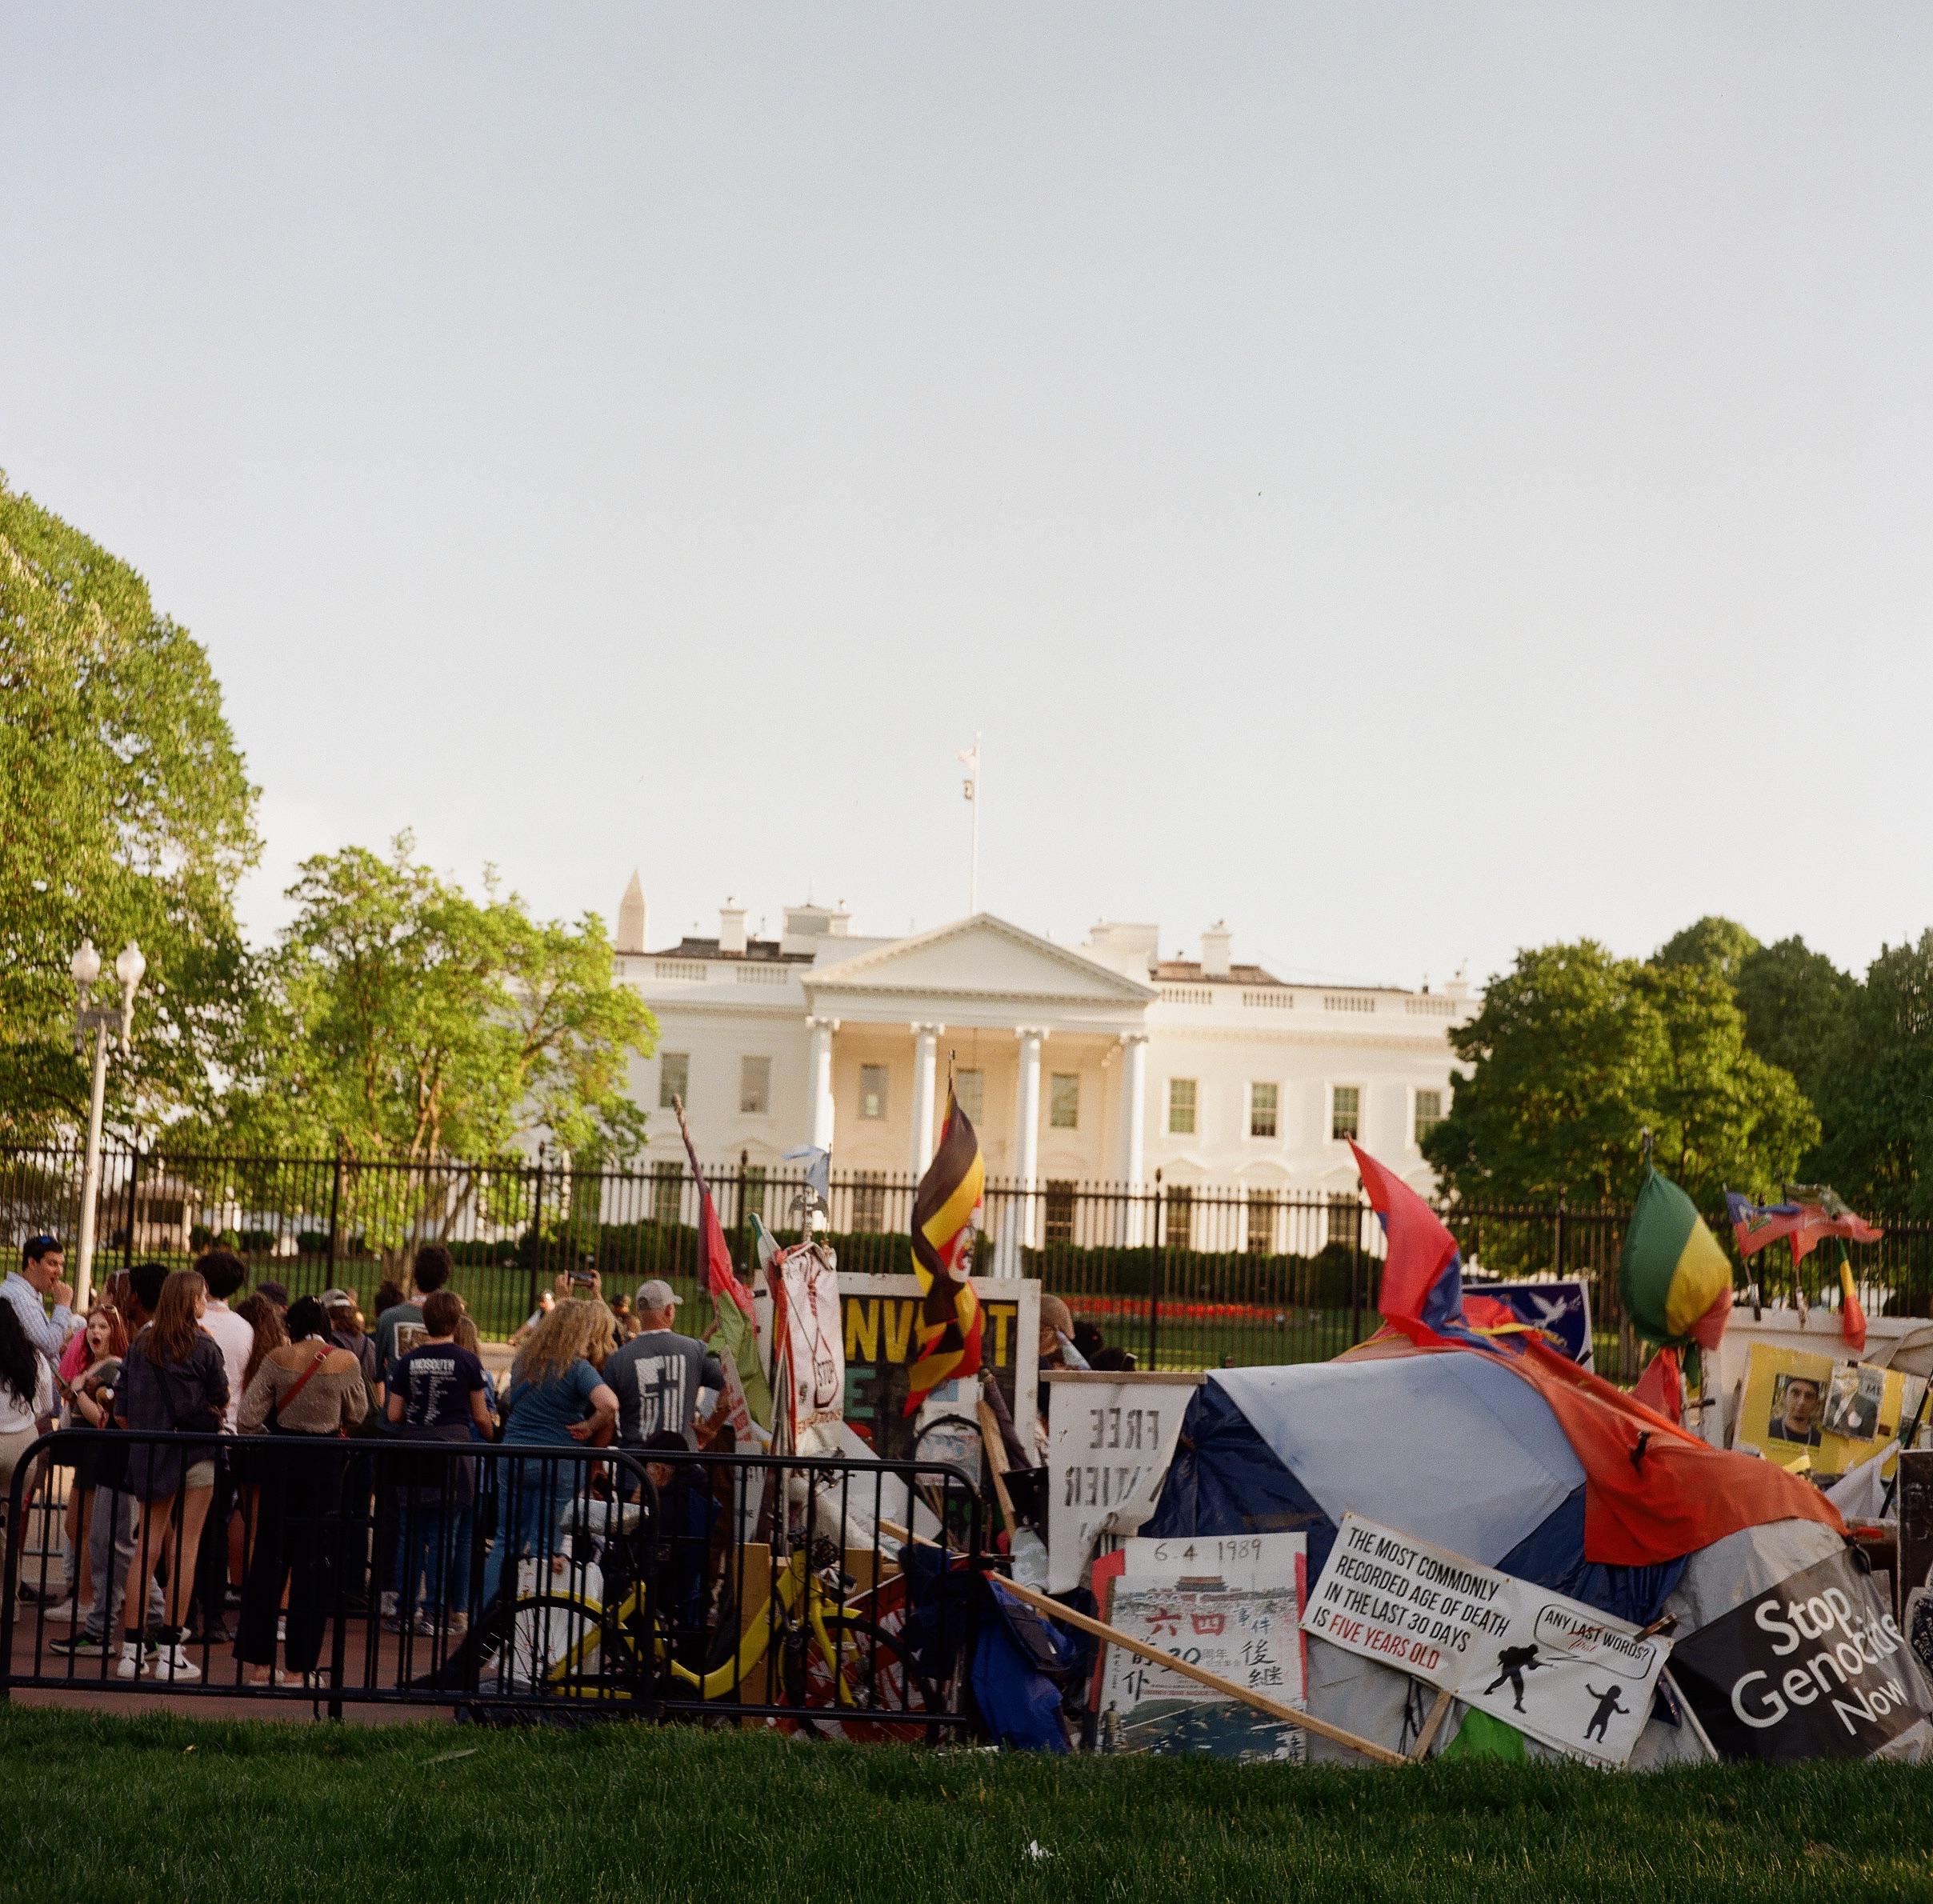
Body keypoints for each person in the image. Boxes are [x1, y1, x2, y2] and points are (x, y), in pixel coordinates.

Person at [234, 1297, 368, 1684]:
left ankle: (260, 1664)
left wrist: (270, 1434)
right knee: (313, 1568)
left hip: (282, 1461)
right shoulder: (345, 1360)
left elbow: (247, 1417)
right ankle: (299, 1668)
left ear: (290, 1324)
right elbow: (358, 1413)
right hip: (324, 1465)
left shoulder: (277, 1357)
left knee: (269, 1562)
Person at [114, 1269, 229, 1681]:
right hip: (195, 1453)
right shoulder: (204, 1346)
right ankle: (170, 1653)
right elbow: (221, 1399)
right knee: (187, 1547)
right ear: (192, 1301)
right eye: (202, 1296)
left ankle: (129, 1651)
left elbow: (121, 1409)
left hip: (150, 1453)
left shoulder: (141, 1344)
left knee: (147, 1547)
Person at [51, 1262, 169, 1663]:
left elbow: (120, 1411)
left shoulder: (141, 1347)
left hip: (125, 1457)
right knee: (113, 1545)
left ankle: (130, 1624)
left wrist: (94, 1391)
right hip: (120, 1457)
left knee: (115, 1545)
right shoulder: (144, 1343)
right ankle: (135, 1620)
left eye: (121, 1292)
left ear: (136, 1296)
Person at [481, 1298, 618, 1607]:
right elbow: (609, 1404)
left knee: (505, 1540)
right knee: (545, 1547)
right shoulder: (577, 1368)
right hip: (559, 1461)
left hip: (515, 1453)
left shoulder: (525, 1362)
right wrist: (588, 1425)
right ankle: (531, 1623)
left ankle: (485, 1625)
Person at [385, 1289, 493, 1634]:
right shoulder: (467, 1361)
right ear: (457, 1322)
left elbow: (394, 1413)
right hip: (452, 1447)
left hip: (414, 1446)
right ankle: (434, 1613)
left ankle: (405, 1610)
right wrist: (494, 1433)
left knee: (410, 1533)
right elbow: (480, 1416)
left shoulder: (407, 1361)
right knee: (444, 1534)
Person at [602, 1280, 722, 1450]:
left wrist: (599, 1458)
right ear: (669, 1310)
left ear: (639, 1311)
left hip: (635, 1462)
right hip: (682, 1460)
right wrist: (711, 1427)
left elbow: (607, 1413)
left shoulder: (618, 1359)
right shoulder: (695, 1350)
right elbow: (731, 1390)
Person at [0, 1300, 54, 1588]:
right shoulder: (32, 1357)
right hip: (22, 1443)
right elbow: (45, 1405)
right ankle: (9, 1603)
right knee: (11, 1525)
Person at [374, 1244, 454, 1398]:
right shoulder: (453, 1319)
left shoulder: (388, 1318)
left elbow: (378, 1373)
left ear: (415, 1273)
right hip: (436, 1407)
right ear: (445, 1277)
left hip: (394, 1410)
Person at [1769, 1374, 1825, 1447]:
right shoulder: (1769, 1430)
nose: (1801, 1402)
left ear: (1816, 1404)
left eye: (1809, 1396)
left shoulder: (1820, 1441)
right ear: (1784, 1397)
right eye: (1795, 1393)